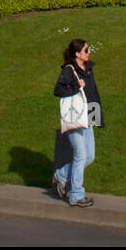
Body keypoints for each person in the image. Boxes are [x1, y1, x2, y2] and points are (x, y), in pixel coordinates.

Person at [52, 38, 104, 207]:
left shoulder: (88, 68)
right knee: (81, 155)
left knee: (89, 156)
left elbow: (93, 93)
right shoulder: (69, 70)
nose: (89, 52)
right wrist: (76, 86)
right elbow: (58, 90)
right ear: (77, 54)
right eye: (86, 50)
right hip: (75, 117)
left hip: (87, 116)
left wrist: (97, 115)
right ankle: (76, 194)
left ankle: (61, 175)